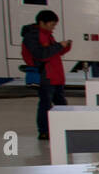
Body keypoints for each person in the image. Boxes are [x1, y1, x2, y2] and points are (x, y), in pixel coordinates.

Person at [22, 9, 71, 140]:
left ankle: (64, 127)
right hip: (45, 76)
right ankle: (44, 131)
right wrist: (59, 46)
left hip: (55, 76)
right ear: (42, 22)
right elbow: (41, 55)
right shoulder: (32, 36)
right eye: (51, 24)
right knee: (46, 104)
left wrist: (64, 47)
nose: (53, 27)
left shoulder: (47, 34)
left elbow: (52, 52)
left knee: (61, 104)